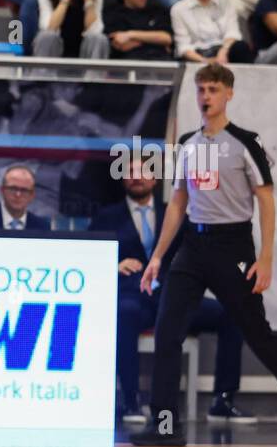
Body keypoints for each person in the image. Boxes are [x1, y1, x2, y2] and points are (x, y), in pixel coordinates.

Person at [131, 63, 277, 447]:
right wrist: (158, 256)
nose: (205, 97)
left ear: (229, 94)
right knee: (167, 330)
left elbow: (266, 200)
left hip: (233, 247)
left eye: (212, 89)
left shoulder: (244, 142)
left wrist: (267, 257)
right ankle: (165, 424)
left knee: (258, 336)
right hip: (193, 247)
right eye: (201, 90)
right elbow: (178, 201)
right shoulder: (189, 143)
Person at [89, 151, 248, 424]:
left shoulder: (175, 213)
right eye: (130, 172)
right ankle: (130, 401)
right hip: (133, 297)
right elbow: (89, 258)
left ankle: (223, 399)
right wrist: (114, 264)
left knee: (231, 312)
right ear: (122, 179)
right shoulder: (106, 216)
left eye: (144, 171)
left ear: (155, 179)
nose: (137, 177)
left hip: (172, 297)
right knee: (123, 314)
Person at [104, 0, 174, 58]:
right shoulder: (113, 13)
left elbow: (166, 38)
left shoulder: (157, 10)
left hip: (160, 62)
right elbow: (121, 44)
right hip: (128, 64)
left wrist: (130, 34)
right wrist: (153, 40)